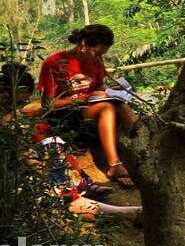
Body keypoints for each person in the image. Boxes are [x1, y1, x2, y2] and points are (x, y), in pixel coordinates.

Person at [35, 25, 137, 187]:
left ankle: (143, 144)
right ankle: (114, 165)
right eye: (97, 53)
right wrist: (84, 98)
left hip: (90, 108)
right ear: (83, 44)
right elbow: (48, 105)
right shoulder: (54, 62)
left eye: (102, 54)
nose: (99, 57)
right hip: (64, 115)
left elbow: (98, 86)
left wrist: (110, 92)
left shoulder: (96, 61)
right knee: (107, 107)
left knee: (120, 104)